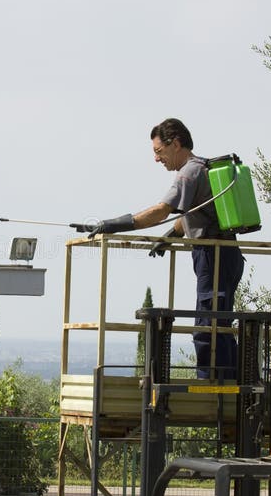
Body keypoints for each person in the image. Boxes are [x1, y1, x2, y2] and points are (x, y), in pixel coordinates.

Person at [75, 117, 244, 379]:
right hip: (225, 254)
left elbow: (160, 211)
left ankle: (212, 387)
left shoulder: (188, 172)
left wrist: (112, 225)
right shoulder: (201, 168)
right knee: (218, 324)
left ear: (175, 144)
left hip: (214, 254)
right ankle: (229, 382)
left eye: (158, 151)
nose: (156, 159)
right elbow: (194, 213)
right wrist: (170, 236)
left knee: (207, 328)